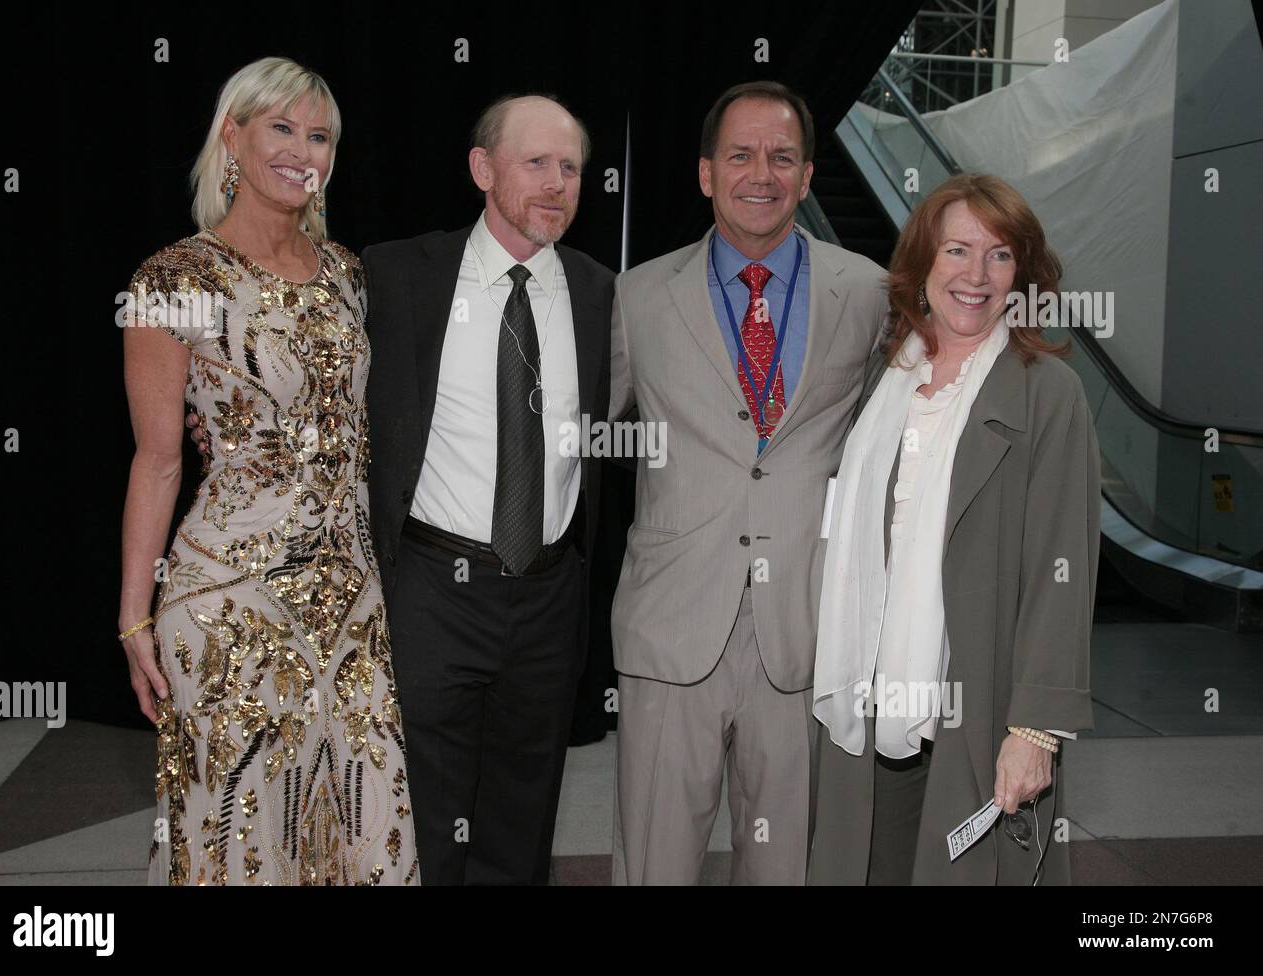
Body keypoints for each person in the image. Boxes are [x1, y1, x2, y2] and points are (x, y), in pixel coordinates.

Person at [120, 57, 419, 886]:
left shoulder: (349, 276)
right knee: (236, 830)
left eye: (318, 134)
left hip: (354, 606)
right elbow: (157, 459)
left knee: (370, 824)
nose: (302, 149)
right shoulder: (172, 279)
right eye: (280, 128)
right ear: (232, 137)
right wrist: (133, 618)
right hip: (229, 603)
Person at [609, 81, 889, 885]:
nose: (760, 173)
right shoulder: (637, 297)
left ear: (805, 176)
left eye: (782, 156)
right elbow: (573, 438)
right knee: (653, 865)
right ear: (706, 173)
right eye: (740, 154)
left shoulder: (867, 294)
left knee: (788, 870)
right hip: (670, 631)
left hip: (805, 631)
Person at [808, 172, 1100, 885]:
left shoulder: (1045, 392)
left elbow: (1062, 576)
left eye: (1000, 256)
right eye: (957, 251)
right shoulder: (886, 378)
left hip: (979, 710)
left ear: (1022, 274)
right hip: (869, 702)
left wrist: (1034, 730)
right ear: (922, 263)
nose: (976, 275)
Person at [361, 95, 614, 884]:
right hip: (433, 588)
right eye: (536, 163)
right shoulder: (395, 275)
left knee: (522, 815)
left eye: (571, 167)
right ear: (482, 169)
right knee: (422, 816)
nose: (558, 183)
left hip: (547, 598)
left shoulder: (603, 293)